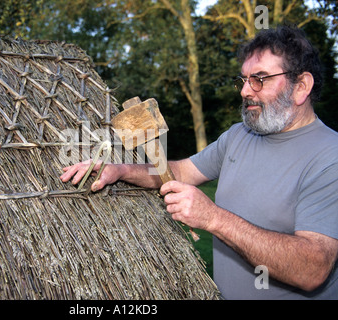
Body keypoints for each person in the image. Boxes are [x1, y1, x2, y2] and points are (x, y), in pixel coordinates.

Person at [60, 26, 338, 299]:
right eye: (243, 80)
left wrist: (213, 218)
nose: (244, 91)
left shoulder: (329, 156)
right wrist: (120, 170)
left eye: (260, 79)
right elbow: (179, 172)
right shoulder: (239, 136)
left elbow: (312, 270)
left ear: (301, 86)